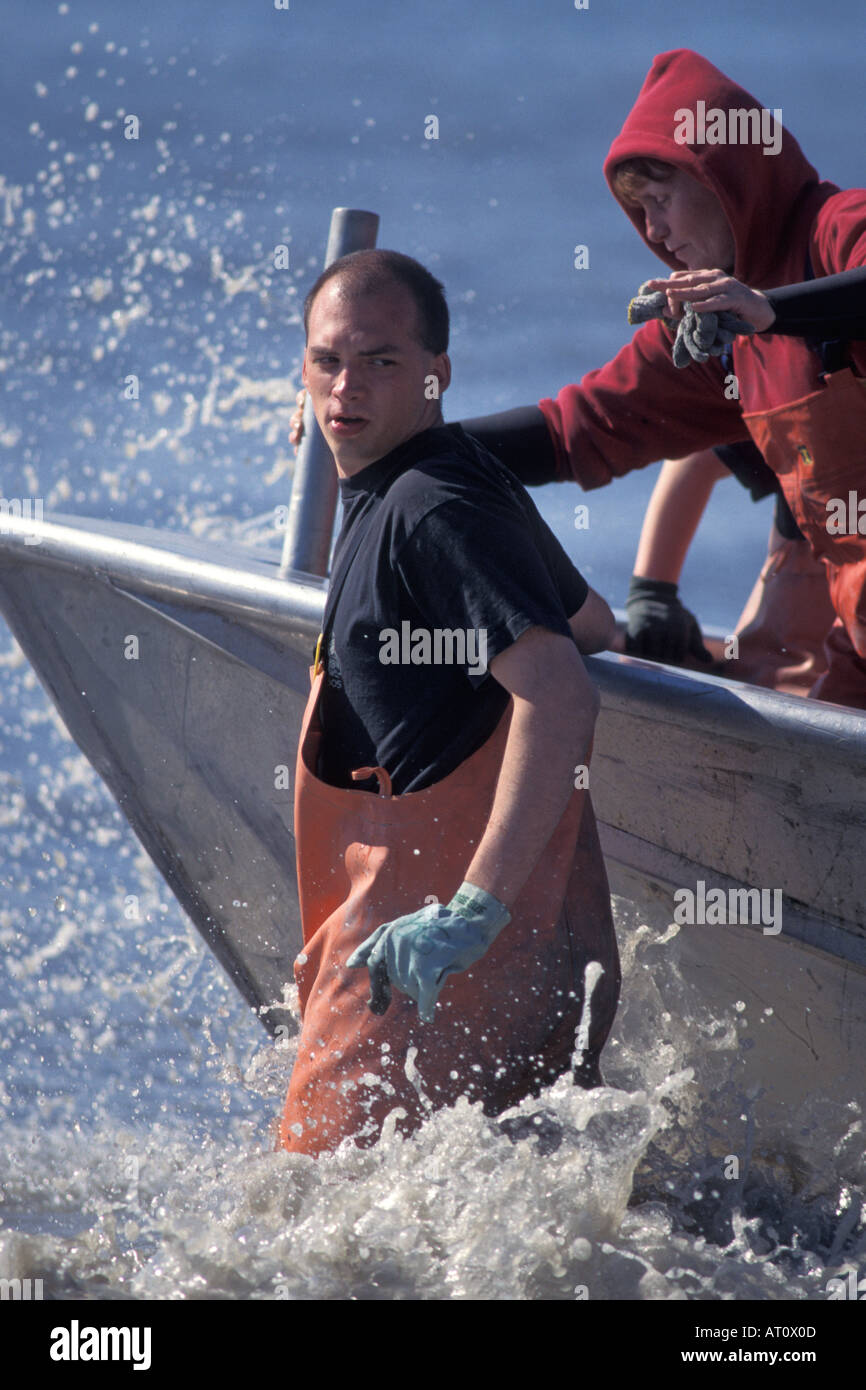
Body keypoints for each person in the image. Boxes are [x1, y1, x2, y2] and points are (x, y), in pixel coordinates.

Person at [280, 249, 620, 1157]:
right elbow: (593, 624)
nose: (345, 387)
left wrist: (470, 915)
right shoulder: (447, 475)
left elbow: (559, 689)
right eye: (326, 362)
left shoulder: (433, 506)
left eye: (381, 362)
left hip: (417, 963)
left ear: (438, 373)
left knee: (300, 1231)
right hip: (510, 977)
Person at [457, 49, 866, 709]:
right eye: (636, 210)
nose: (652, 230)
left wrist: (770, 315)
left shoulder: (837, 232)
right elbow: (577, 428)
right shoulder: (713, 335)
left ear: (726, 174)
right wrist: (403, 450)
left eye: (660, 198)